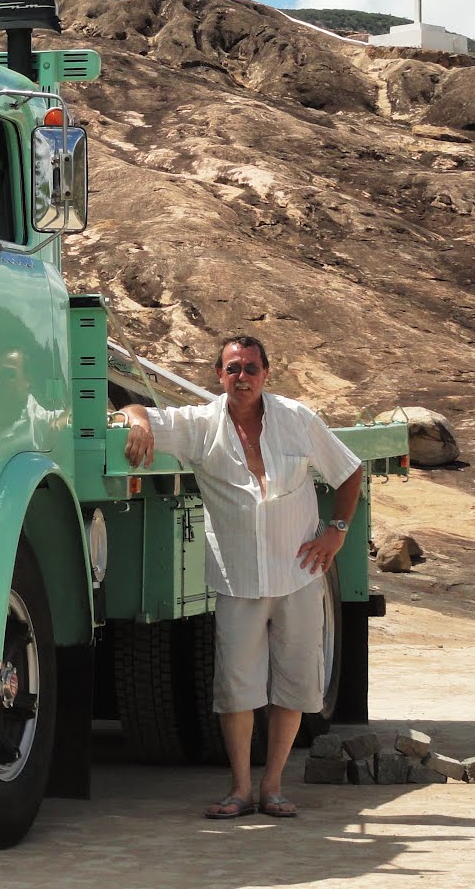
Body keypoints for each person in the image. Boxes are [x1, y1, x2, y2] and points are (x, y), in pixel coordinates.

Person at [114, 335, 362, 821]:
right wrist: (136, 417)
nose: (242, 377)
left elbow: (348, 473)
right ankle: (240, 789)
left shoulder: (296, 419)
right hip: (238, 580)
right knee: (236, 687)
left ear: (266, 374)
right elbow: (136, 414)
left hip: (299, 573)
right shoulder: (201, 426)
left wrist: (336, 531)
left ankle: (273, 787)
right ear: (219, 376)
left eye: (250, 368)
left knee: (294, 684)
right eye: (232, 369)